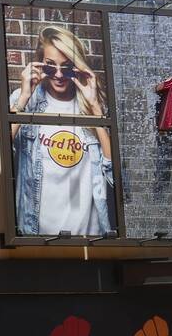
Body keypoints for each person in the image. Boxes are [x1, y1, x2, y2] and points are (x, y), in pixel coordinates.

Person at [10, 24, 114, 236]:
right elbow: (1, 159)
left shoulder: (92, 105)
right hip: (37, 235)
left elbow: (113, 173)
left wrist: (95, 109)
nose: (58, 75)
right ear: (39, 64)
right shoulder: (23, 101)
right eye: (50, 67)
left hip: (89, 235)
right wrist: (23, 99)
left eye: (66, 68)